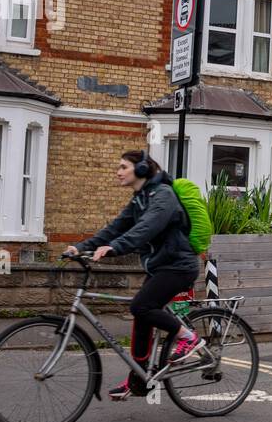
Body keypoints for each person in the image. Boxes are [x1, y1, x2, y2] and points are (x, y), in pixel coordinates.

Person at [64, 151, 201, 400]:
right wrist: (82, 247)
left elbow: (145, 229)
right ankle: (139, 377)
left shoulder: (163, 196)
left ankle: (189, 338)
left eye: (123, 167)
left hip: (179, 266)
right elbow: (115, 227)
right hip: (160, 267)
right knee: (141, 316)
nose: (118, 172)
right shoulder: (140, 198)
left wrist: (116, 247)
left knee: (141, 306)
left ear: (140, 170)